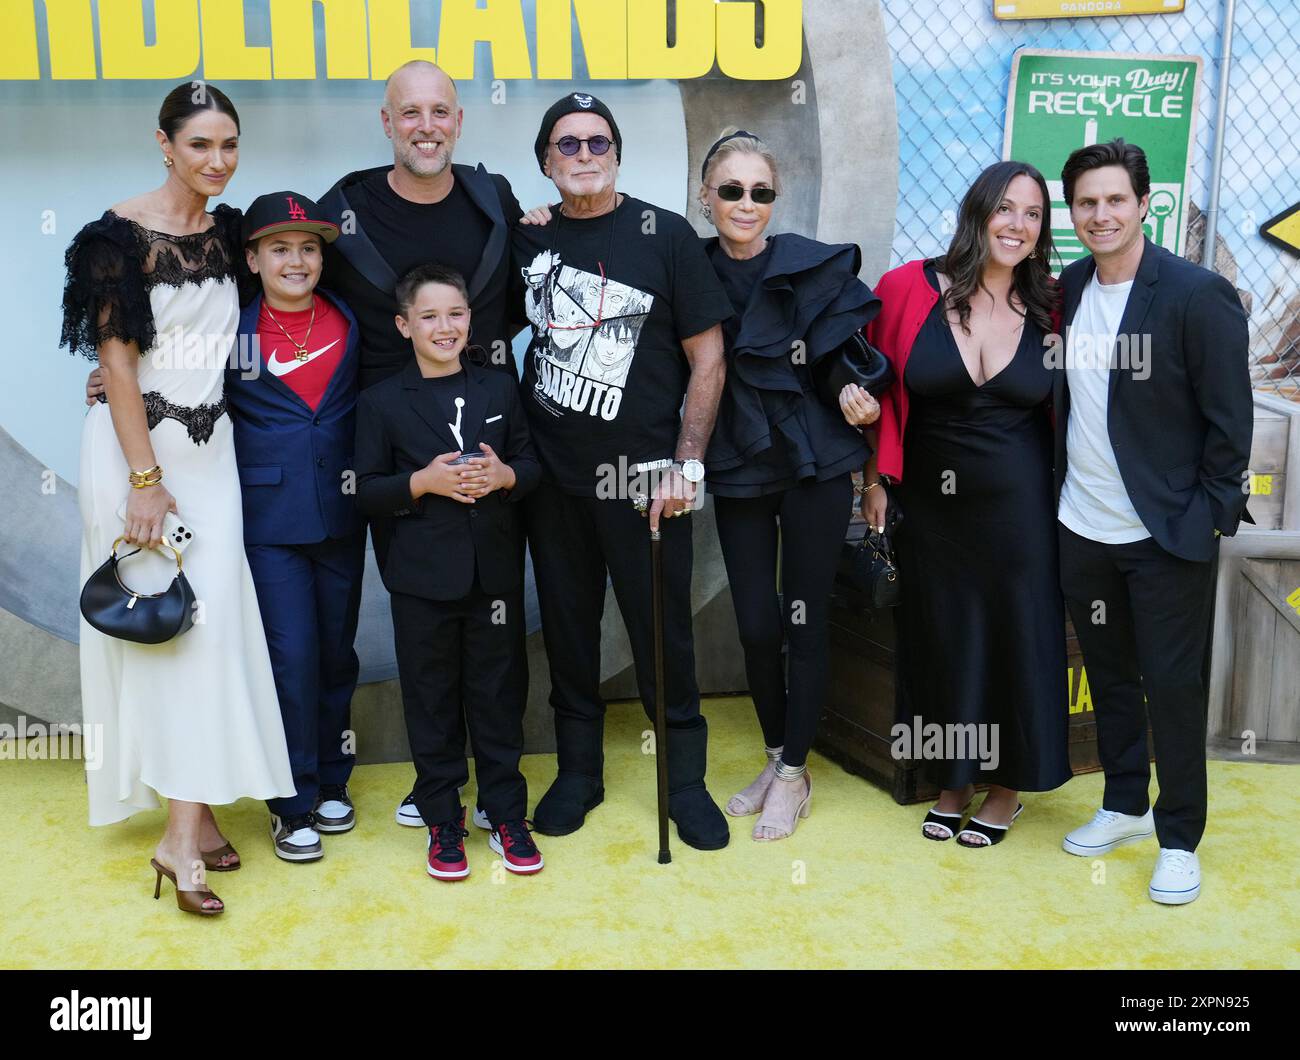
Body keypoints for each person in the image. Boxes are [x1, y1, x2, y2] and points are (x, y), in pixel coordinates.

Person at [60, 83, 294, 915]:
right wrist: (145, 482)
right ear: (165, 144)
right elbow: (119, 366)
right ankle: (179, 837)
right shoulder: (113, 239)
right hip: (140, 458)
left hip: (214, 452)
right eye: (201, 145)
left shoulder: (232, 231)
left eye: (230, 144)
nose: (218, 160)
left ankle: (190, 815)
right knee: (165, 634)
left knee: (210, 627)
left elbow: (314, 233)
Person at [516, 93, 733, 850]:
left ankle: (683, 781)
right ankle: (579, 773)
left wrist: (687, 465)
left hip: (648, 482)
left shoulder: (664, 235)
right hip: (553, 479)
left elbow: (707, 357)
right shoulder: (525, 242)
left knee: (662, 634)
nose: (583, 156)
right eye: (567, 145)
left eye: (597, 143)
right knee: (569, 632)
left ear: (616, 153)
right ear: (546, 160)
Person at [316, 60, 528, 829]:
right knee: (428, 630)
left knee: (491, 628)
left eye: (440, 110)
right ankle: (431, 787)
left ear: (460, 122)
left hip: (494, 433)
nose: (426, 125)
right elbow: (274, 283)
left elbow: (541, 275)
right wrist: (138, 365)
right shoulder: (344, 208)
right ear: (386, 123)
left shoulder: (491, 194)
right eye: (410, 113)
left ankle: (489, 794)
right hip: (392, 444)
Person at [1053, 140, 1253, 904]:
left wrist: (1203, 518)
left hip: (1165, 534)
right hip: (1082, 525)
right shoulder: (1068, 287)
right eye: (1085, 203)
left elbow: (1229, 426)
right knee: (1108, 677)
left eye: (1114, 200)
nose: (1100, 215)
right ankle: (1125, 803)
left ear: (1143, 204)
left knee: (1171, 686)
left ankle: (1178, 837)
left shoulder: (1195, 295)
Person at [865, 160, 1072, 846]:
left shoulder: (1054, 302)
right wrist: (873, 481)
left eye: (1034, 214)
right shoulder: (905, 288)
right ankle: (954, 779)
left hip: (1022, 505)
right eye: (1006, 209)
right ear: (977, 212)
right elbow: (872, 388)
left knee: (1019, 636)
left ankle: (1007, 788)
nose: (1018, 225)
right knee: (946, 637)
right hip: (932, 504)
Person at [697, 130, 882, 840]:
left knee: (804, 619)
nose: (748, 203)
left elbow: (837, 358)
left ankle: (794, 771)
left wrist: (850, 393)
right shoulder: (690, 268)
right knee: (754, 623)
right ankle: (778, 758)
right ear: (705, 195)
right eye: (733, 189)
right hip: (739, 459)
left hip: (813, 463)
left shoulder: (809, 267)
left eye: (761, 191)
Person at [354, 264, 543, 878]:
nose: (444, 326)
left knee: (497, 695)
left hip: (494, 579)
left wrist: (507, 476)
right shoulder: (381, 402)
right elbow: (362, 489)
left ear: (470, 320)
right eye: (429, 316)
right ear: (404, 325)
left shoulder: (498, 389)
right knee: (431, 700)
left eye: (455, 314)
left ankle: (505, 811)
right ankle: (442, 819)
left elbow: (531, 462)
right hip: (420, 581)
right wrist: (422, 482)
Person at [227, 192, 366, 862]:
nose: (296, 260)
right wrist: (111, 383)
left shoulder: (349, 320)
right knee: (292, 658)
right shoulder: (228, 331)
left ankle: (334, 779)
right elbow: (182, 389)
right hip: (270, 521)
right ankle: (291, 800)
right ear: (252, 257)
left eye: (308, 247)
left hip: (341, 512)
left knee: (338, 654)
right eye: (279, 248)